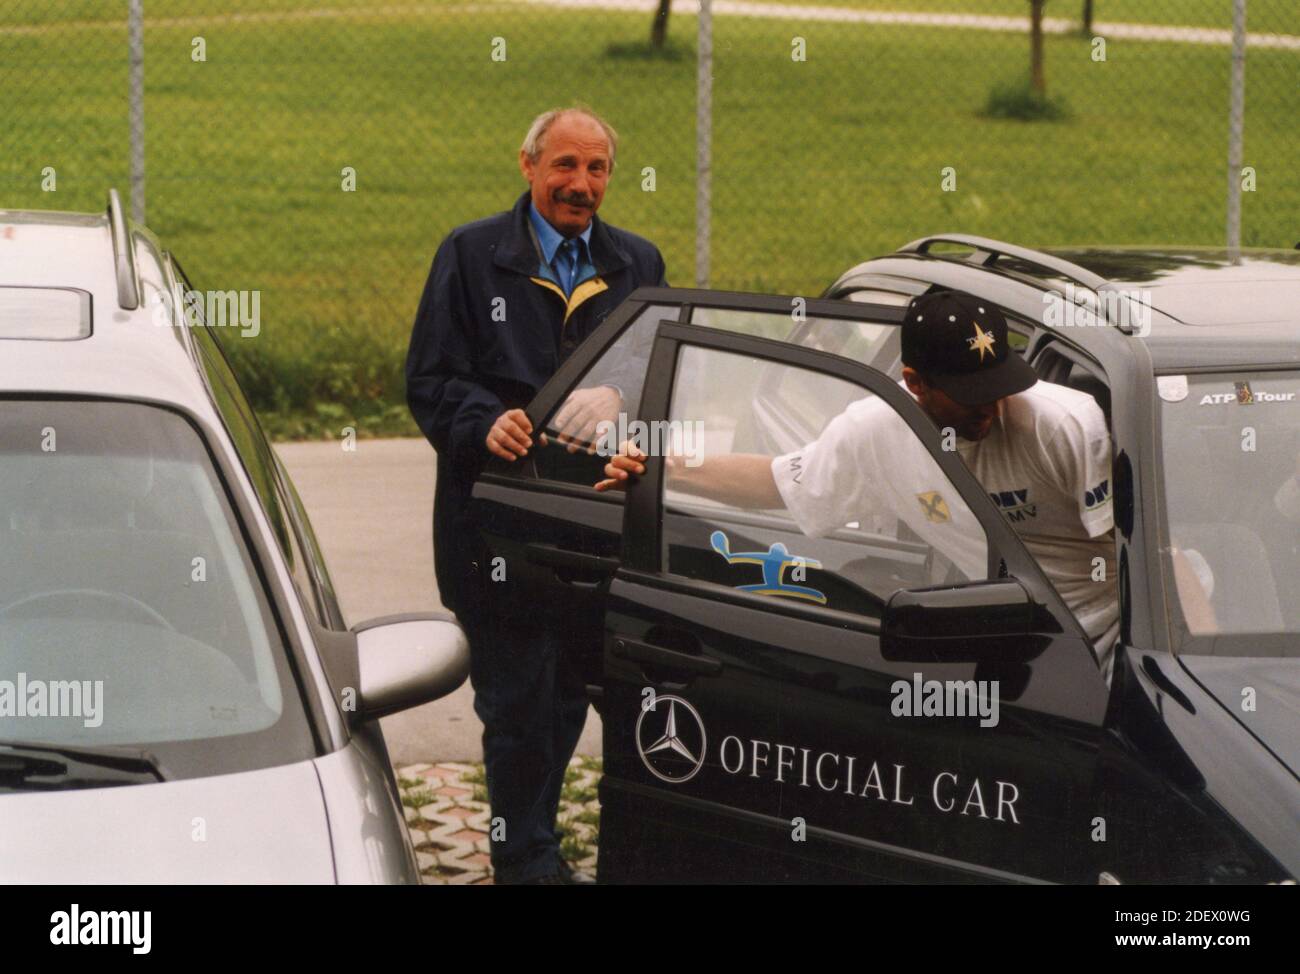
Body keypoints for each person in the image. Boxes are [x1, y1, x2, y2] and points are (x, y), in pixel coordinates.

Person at [597, 289, 1122, 680]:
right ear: (915, 383)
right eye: (969, 393)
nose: (989, 405)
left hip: (1120, 642)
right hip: (1021, 645)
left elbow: (1147, 549)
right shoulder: (874, 432)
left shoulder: (1065, 423)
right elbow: (778, 482)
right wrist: (659, 468)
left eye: (998, 385)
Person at [405, 106, 667, 884]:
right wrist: (485, 422)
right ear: (527, 166)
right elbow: (429, 379)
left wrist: (623, 400)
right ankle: (524, 860)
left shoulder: (637, 264)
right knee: (517, 709)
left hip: (598, 541)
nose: (580, 186)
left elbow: (662, 375)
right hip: (497, 539)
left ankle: (581, 845)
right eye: (564, 167)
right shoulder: (471, 253)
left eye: (596, 169)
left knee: (581, 704)